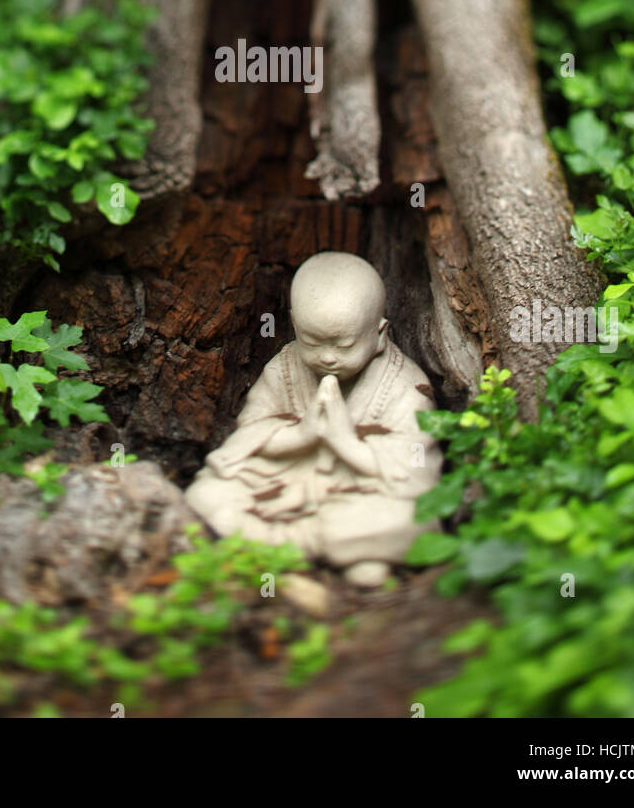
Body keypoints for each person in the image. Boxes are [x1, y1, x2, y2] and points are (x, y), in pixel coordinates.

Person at [185, 251, 442, 587]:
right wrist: (303, 436)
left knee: (413, 517)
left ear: (379, 335)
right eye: (312, 342)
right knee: (205, 495)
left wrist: (344, 442)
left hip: (361, 491)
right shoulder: (283, 369)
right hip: (287, 483)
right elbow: (246, 437)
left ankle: (271, 542)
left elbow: (415, 469)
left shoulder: (406, 384)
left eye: (344, 345)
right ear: (294, 327)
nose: (327, 357)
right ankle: (345, 550)